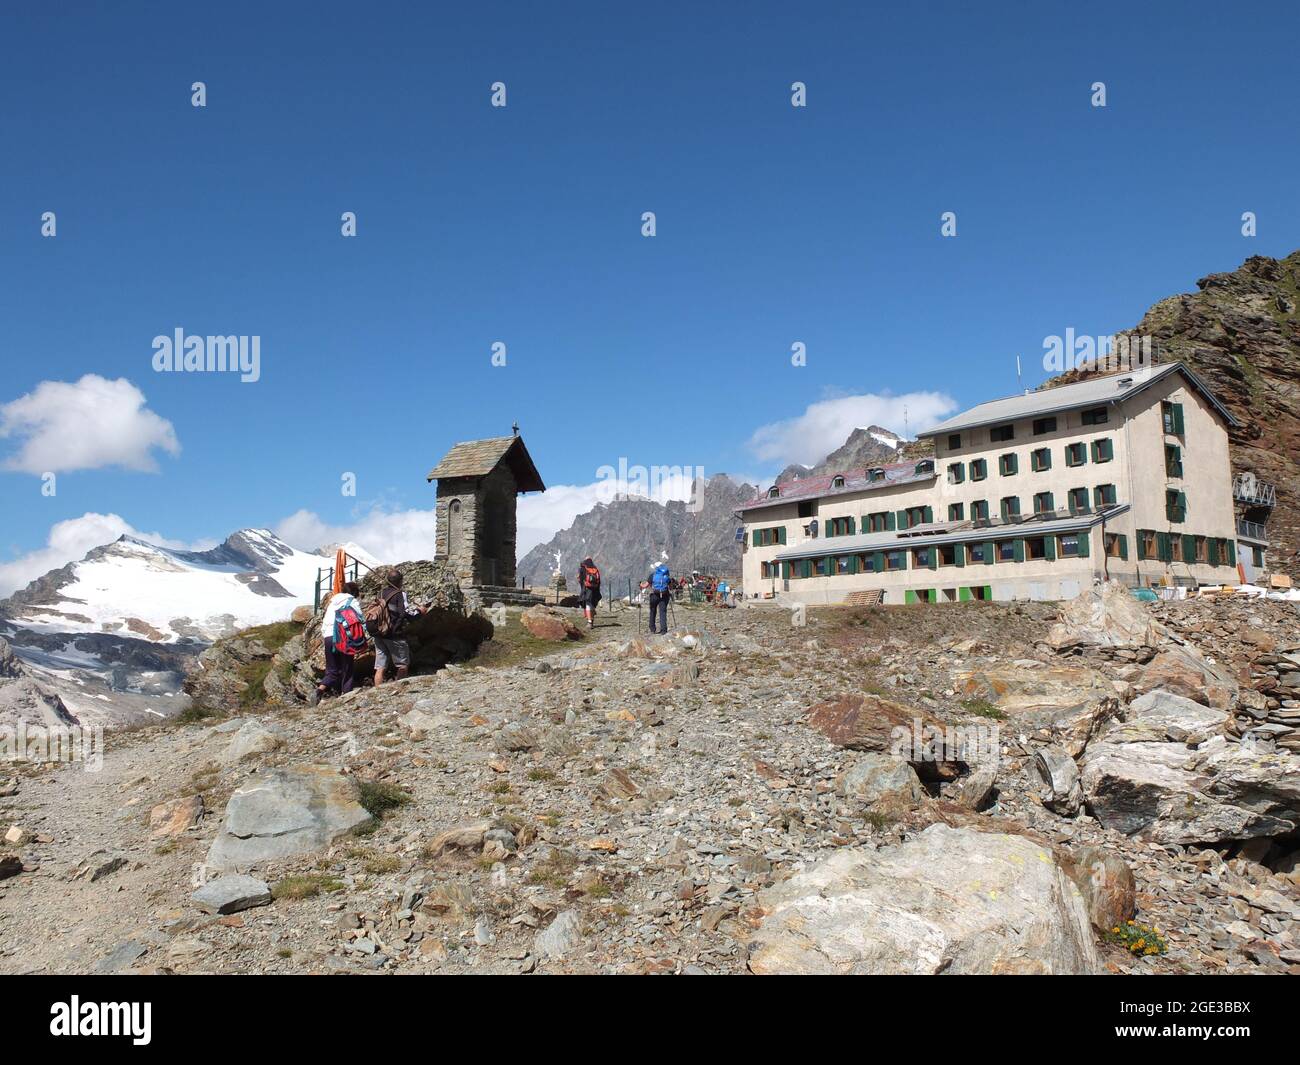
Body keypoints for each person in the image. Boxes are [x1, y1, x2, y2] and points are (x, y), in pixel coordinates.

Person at [370, 569, 427, 686]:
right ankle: (399, 689)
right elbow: (406, 613)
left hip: (379, 633)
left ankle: (377, 691)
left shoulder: (380, 593)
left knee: (380, 667)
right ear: (400, 581)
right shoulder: (400, 594)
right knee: (402, 665)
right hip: (394, 634)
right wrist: (420, 612)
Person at [317, 581, 364, 701]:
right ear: (354, 592)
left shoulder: (332, 603)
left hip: (328, 637)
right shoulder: (352, 601)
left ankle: (320, 690)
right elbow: (359, 617)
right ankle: (345, 694)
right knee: (347, 667)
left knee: (332, 670)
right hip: (344, 637)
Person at [577, 556, 602, 628]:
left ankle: (589, 622)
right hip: (595, 589)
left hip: (587, 589)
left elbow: (580, 579)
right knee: (593, 604)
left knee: (588, 604)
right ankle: (592, 620)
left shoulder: (583, 568)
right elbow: (599, 581)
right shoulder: (595, 569)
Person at [647, 561, 671, 635]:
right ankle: (663, 630)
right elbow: (669, 583)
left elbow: (648, 583)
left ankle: (652, 628)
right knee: (662, 612)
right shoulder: (666, 576)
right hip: (664, 595)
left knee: (653, 611)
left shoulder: (653, 575)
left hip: (654, 595)